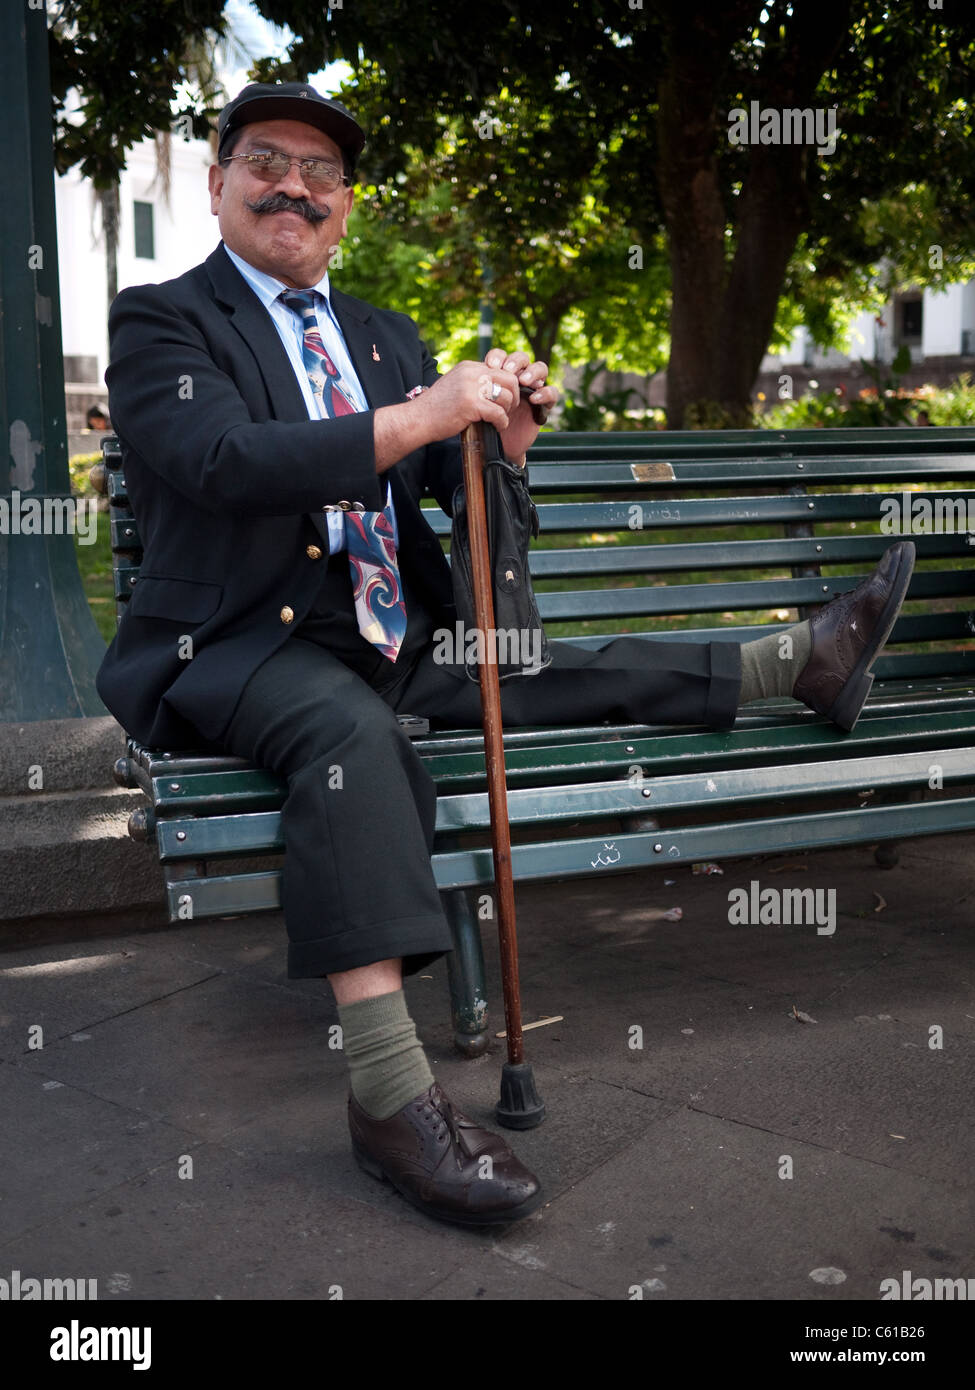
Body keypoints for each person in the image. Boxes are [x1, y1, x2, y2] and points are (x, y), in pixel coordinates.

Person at [97, 82, 916, 1229]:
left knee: (546, 663)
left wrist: (504, 443)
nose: (296, 187)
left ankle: (800, 665)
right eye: (269, 162)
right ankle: (390, 1096)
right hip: (246, 645)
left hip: (392, 629)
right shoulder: (165, 320)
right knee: (349, 736)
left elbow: (456, 495)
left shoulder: (383, 335)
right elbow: (228, 459)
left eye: (323, 175)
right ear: (223, 177)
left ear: (347, 206)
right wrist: (425, 417)